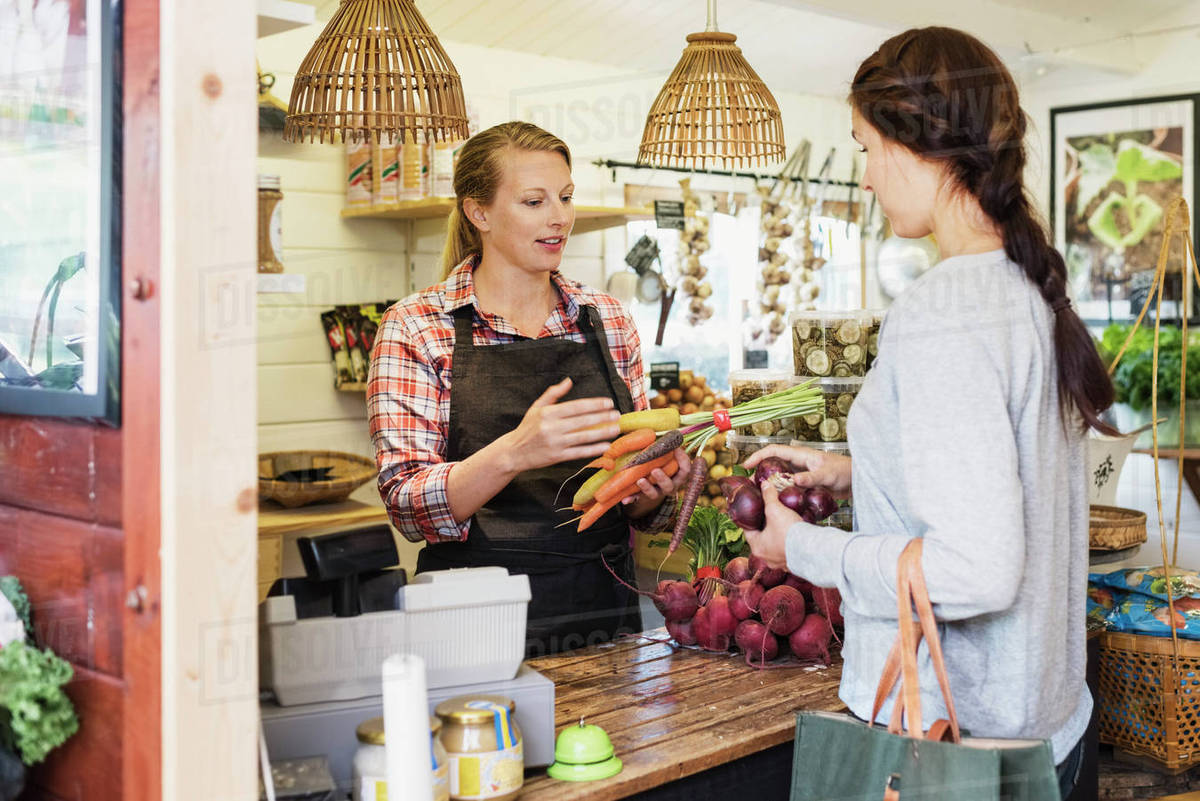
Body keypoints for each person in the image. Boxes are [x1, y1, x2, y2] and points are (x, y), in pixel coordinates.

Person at [742, 27, 1113, 800]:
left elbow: (977, 569)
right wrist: (859, 472)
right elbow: (1006, 482)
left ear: (921, 144)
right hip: (1053, 730)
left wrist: (802, 546)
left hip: (959, 751)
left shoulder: (945, 308)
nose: (868, 178)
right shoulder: (1023, 288)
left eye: (866, 147)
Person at [368, 121, 689, 657]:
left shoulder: (608, 319)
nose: (559, 217)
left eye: (565, 197)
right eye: (534, 201)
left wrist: (647, 499)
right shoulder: (418, 326)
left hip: (603, 611)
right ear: (480, 213)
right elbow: (407, 506)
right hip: (472, 621)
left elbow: (632, 481)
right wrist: (517, 451)